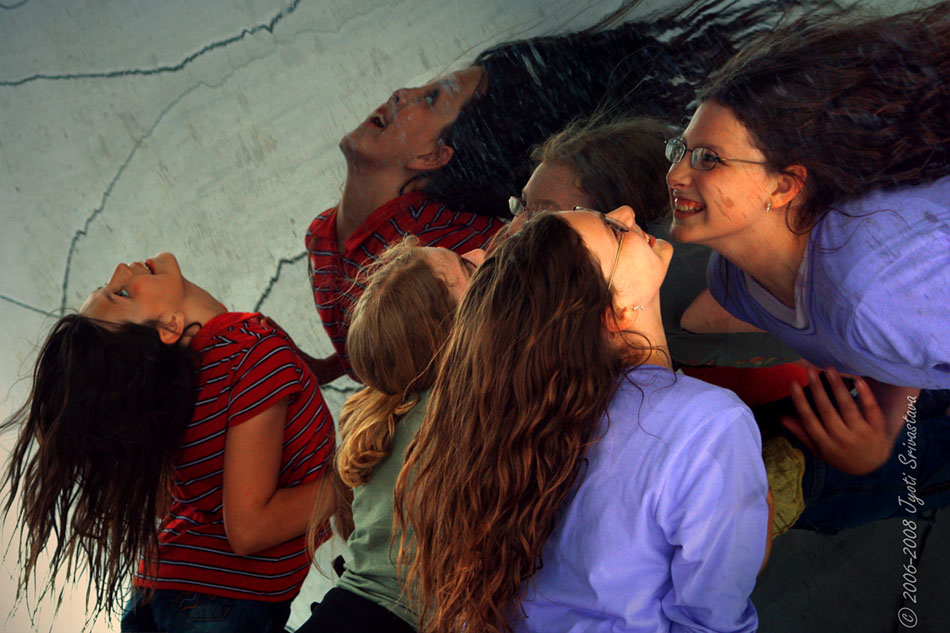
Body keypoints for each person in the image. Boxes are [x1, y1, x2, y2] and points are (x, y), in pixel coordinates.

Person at [305, 0, 806, 384]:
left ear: (620, 221)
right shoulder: (662, 288)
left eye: (536, 215)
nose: (490, 243)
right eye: (521, 210)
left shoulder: (675, 276)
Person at [395, 209, 772, 633]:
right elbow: (714, 623)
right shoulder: (707, 425)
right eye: (613, 230)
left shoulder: (531, 426)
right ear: (614, 313)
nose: (626, 213)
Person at [665, 2, 950, 474]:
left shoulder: (877, 285)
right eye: (681, 149)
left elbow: (887, 318)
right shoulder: (734, 286)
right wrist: (878, 433)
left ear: (784, 185)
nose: (675, 174)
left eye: (708, 158)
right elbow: (897, 346)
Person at [1, 252, 337, 633]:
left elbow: (169, 497)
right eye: (123, 293)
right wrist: (350, 482)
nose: (120, 268)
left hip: (160, 587)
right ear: (169, 327)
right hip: (219, 603)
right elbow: (249, 528)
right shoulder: (253, 354)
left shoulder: (206, 369)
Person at [297, 238, 479, 633]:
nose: (481, 256)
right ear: (454, 325)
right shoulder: (461, 406)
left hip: (346, 614)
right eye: (467, 266)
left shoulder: (395, 410)